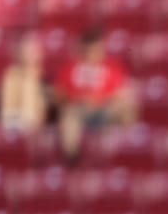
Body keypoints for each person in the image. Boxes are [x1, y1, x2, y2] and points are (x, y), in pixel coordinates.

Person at [53, 26, 139, 162]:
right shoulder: (71, 68)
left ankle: (133, 149)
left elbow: (122, 91)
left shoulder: (112, 67)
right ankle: (72, 156)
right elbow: (59, 94)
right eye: (93, 49)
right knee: (69, 115)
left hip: (105, 109)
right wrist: (78, 99)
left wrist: (104, 99)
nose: (96, 52)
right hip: (80, 109)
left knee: (126, 106)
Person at [0, 32, 48, 132]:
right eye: (25, 51)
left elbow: (45, 106)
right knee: (12, 76)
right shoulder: (11, 74)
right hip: (11, 118)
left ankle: (24, 122)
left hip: (34, 120)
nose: (27, 54)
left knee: (29, 80)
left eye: (31, 51)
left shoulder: (44, 77)